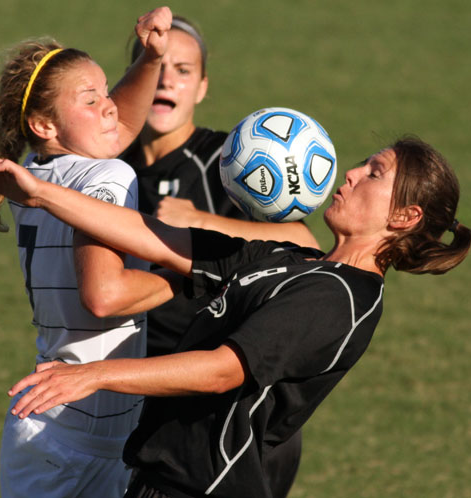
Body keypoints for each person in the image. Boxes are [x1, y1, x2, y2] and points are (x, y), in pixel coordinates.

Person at [0, 135, 471, 497]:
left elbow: (225, 368)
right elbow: (156, 236)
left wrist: (94, 374)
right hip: (161, 479)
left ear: (404, 217)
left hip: (203, 488)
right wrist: (38, 192)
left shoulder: (342, 297)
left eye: (375, 173)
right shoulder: (293, 262)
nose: (352, 172)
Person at [0, 7, 176, 498]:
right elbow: (105, 296)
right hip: (77, 439)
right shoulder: (106, 176)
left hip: (54, 432)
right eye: (91, 100)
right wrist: (198, 274)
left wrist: (150, 59)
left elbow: (116, 128)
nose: (110, 106)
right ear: (45, 124)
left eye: (107, 91)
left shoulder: (35, 171)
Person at [119, 16, 314, 496]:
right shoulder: (110, 169)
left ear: (202, 88)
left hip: (222, 406)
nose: (167, 79)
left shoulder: (231, 159)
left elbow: (305, 244)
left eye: (183, 70)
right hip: (139, 387)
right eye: (157, 67)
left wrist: (201, 221)